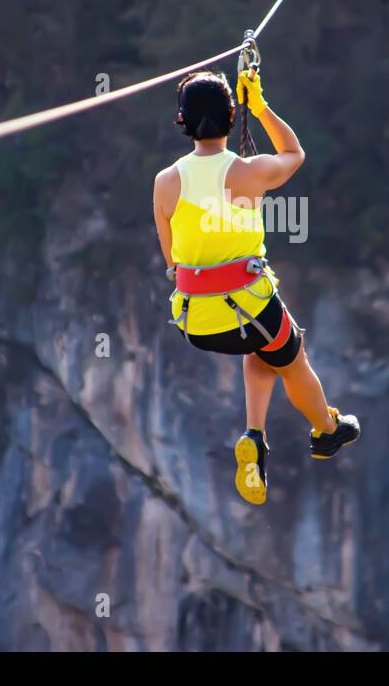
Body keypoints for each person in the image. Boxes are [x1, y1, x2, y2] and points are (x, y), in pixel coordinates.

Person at [152, 67, 359, 505]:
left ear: (182, 122)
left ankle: (255, 436)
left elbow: (172, 260)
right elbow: (294, 153)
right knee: (291, 354)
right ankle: (325, 429)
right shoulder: (250, 172)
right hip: (248, 307)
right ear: (231, 117)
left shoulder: (166, 182)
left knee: (260, 346)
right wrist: (260, 105)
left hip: (194, 321)